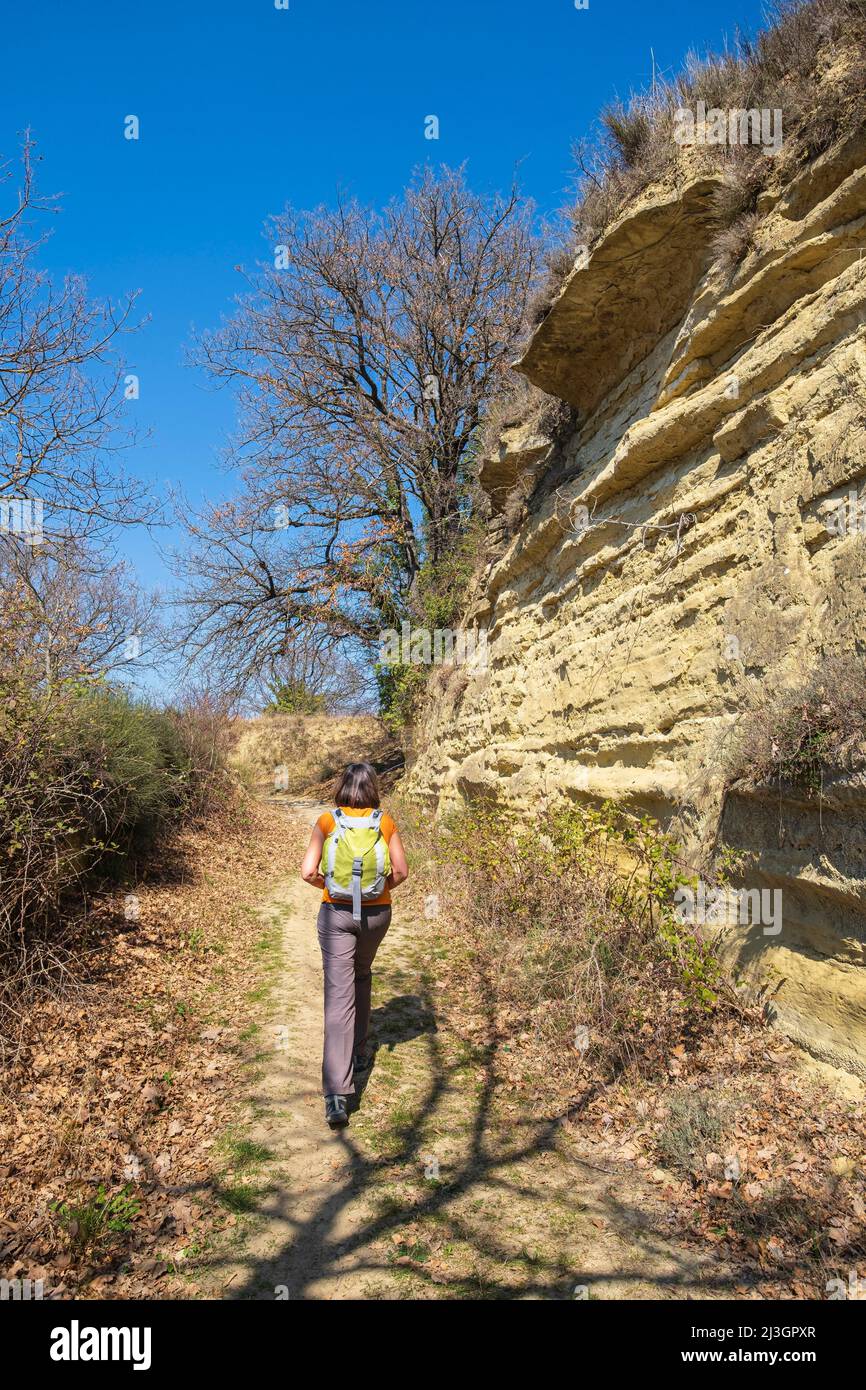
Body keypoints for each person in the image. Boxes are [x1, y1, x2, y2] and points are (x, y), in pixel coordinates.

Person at [300, 762, 408, 1128]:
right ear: (373, 788)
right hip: (376, 916)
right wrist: (375, 892)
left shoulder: (328, 821)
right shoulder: (385, 821)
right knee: (362, 975)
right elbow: (402, 871)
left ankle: (336, 1094)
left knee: (338, 993)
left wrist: (331, 888)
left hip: (336, 914)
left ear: (343, 787)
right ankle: (360, 1053)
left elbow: (308, 871)